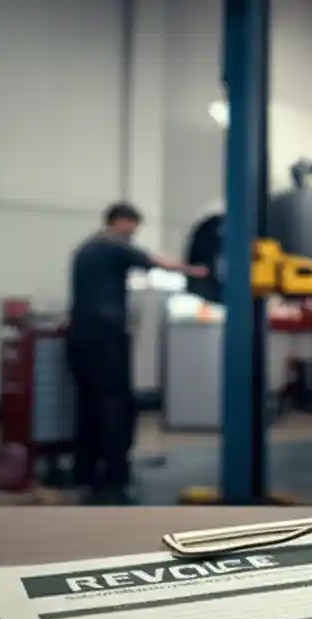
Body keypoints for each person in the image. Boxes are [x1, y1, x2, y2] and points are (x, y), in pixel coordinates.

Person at [67, 203, 208, 504]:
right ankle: (114, 476)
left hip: (81, 339)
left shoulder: (85, 250)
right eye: (133, 227)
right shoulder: (112, 246)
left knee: (87, 405)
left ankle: (85, 473)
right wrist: (196, 271)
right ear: (120, 222)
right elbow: (154, 262)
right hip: (106, 340)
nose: (133, 233)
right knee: (114, 405)